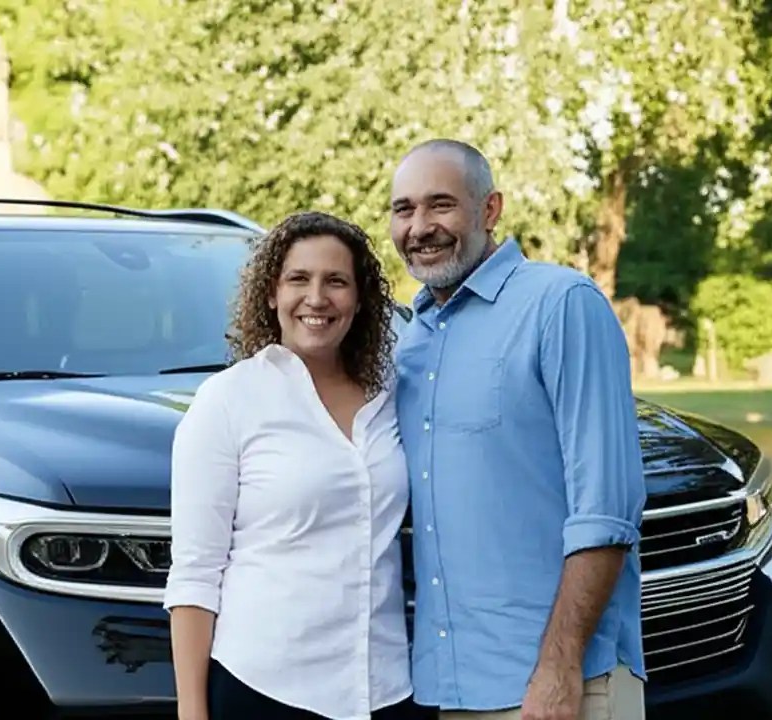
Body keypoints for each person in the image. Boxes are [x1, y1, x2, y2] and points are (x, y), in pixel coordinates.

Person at [387, 139, 647, 720]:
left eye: (441, 205)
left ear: (490, 209)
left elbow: (607, 507)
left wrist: (560, 667)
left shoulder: (561, 303)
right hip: (447, 686)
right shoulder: (412, 340)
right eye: (403, 209)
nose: (420, 227)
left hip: (563, 684)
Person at [164, 211, 427, 720]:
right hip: (265, 689)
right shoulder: (228, 400)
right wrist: (192, 712)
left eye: (336, 281)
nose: (317, 298)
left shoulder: (392, 396)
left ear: (360, 299)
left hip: (387, 690)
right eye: (298, 279)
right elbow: (196, 573)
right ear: (271, 293)